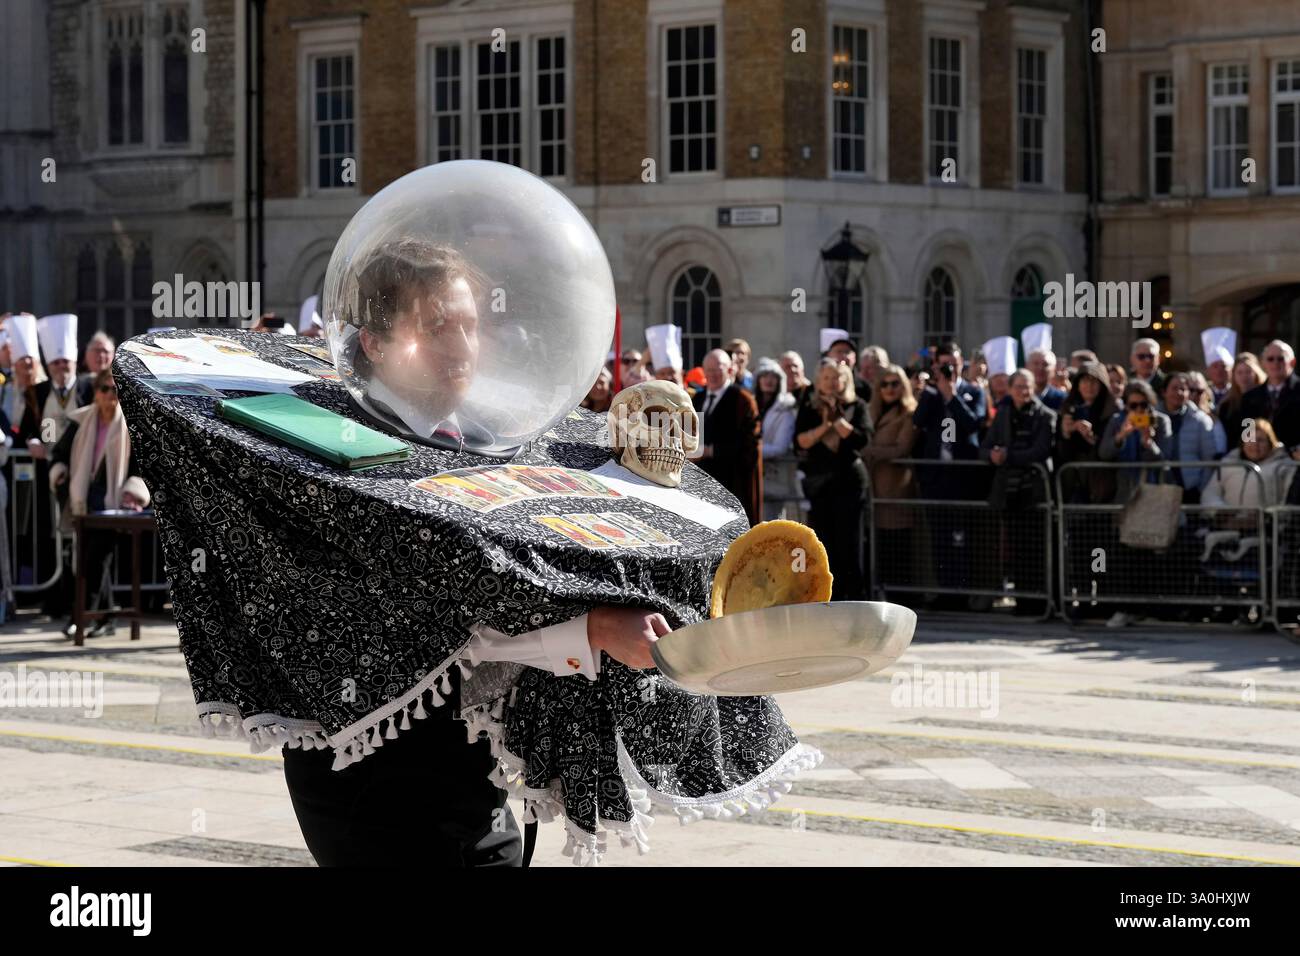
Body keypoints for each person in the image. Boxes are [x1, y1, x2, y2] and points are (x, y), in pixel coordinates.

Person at [48, 370, 151, 640]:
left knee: (95, 560)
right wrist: (58, 471)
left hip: (113, 501)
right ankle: (105, 619)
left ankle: (78, 618)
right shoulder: (82, 420)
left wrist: (133, 491)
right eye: (105, 389)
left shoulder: (130, 425)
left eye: (116, 390)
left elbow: (141, 467)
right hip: (85, 499)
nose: (110, 396)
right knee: (91, 560)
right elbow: (59, 452)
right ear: (96, 392)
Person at [912, 341, 986, 605]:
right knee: (939, 538)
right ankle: (945, 592)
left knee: (961, 537)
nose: (949, 369)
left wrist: (952, 396)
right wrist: (934, 393)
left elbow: (973, 424)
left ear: (961, 362)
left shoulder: (973, 391)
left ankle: (961, 592)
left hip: (963, 477)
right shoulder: (930, 394)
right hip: (936, 478)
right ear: (935, 365)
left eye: (953, 365)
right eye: (944, 365)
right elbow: (917, 422)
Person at [980, 369, 1055, 615]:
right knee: (1017, 549)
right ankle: (1022, 599)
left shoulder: (1045, 416)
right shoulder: (1003, 414)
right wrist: (992, 455)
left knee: (1036, 549)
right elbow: (986, 445)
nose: (1024, 391)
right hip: (1009, 492)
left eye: (1028, 386)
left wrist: (1008, 456)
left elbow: (1041, 450)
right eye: (1019, 386)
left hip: (1033, 492)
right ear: (1010, 389)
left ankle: (1039, 601)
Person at [1099, 381, 1173, 629]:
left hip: (1151, 495)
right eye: (1133, 405)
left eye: (1144, 405)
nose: (1139, 410)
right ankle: (1123, 607)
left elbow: (1165, 460)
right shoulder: (1116, 420)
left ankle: (1149, 607)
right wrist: (1122, 435)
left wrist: (1148, 442)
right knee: (1121, 553)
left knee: (1150, 551)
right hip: (1124, 495)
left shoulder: (1161, 421)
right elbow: (1104, 453)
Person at [795, 359, 870, 600]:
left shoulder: (857, 406)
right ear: (818, 381)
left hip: (849, 482)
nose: (831, 382)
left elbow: (862, 440)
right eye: (826, 378)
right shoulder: (809, 407)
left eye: (836, 377)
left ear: (845, 380)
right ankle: (828, 596)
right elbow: (800, 441)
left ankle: (856, 596)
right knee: (824, 543)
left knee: (850, 542)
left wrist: (839, 421)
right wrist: (825, 425)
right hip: (820, 485)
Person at [861, 364, 917, 600]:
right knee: (876, 545)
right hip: (871, 488)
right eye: (885, 384)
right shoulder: (870, 411)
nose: (890, 389)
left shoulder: (909, 413)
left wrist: (869, 451)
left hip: (895, 488)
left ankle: (900, 596)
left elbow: (902, 448)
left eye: (895, 383)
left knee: (897, 545)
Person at [692, 348, 763, 525]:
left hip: (731, 484)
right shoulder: (697, 399)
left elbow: (750, 444)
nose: (712, 374)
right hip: (700, 483)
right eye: (709, 370)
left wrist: (710, 451)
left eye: (718, 369)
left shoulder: (742, 400)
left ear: (730, 370)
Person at [1056, 360, 1119, 505]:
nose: (1089, 386)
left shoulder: (1112, 411)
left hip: (1101, 482)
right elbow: (1061, 452)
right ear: (1077, 384)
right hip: (1073, 481)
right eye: (1085, 380)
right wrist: (1066, 433)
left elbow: (1111, 450)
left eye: (1094, 381)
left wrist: (1093, 439)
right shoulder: (1067, 408)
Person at [1158, 372, 1219, 504]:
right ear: (1164, 392)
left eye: (1184, 389)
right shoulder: (1154, 418)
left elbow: (1209, 459)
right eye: (1174, 388)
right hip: (1159, 487)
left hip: (1190, 488)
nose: (1179, 393)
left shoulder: (1200, 420)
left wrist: (1200, 488)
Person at [753, 358, 798, 520]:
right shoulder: (751, 405)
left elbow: (780, 447)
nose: (768, 380)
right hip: (753, 476)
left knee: (772, 526)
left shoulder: (785, 409)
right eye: (764, 375)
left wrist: (752, 449)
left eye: (773, 376)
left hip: (774, 477)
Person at [1239, 340, 1300, 450]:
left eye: (1280, 359)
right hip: (1259, 460)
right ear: (1263, 363)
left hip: (1292, 460)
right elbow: (1247, 433)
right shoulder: (1249, 398)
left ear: (1292, 362)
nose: (1275, 363)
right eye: (1270, 359)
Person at [1217, 351, 1266, 451]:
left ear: (1256, 373)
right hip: (1234, 454)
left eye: (1248, 372)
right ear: (1233, 375)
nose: (1244, 377)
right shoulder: (1226, 405)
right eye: (1239, 372)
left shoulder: (1266, 400)